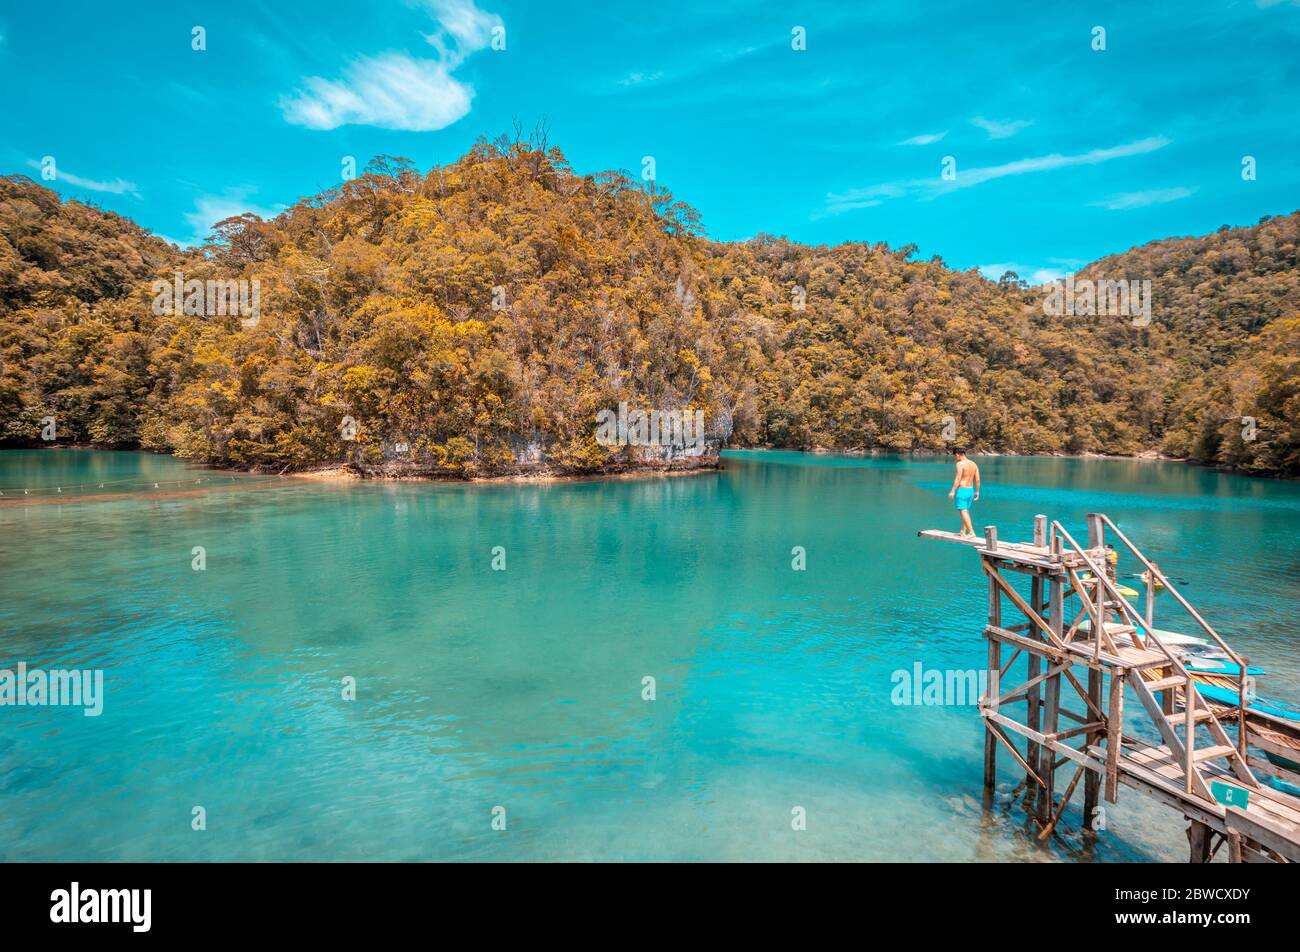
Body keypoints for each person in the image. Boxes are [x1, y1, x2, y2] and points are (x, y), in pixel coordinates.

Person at [947, 448, 980, 537]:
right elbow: (977, 479)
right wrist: (977, 491)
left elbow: (958, 478)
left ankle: (971, 532)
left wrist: (952, 491)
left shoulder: (960, 464)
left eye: (955, 455)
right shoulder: (974, 464)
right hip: (970, 490)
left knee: (963, 511)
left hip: (962, 490)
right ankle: (963, 531)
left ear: (958, 454)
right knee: (965, 511)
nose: (955, 457)